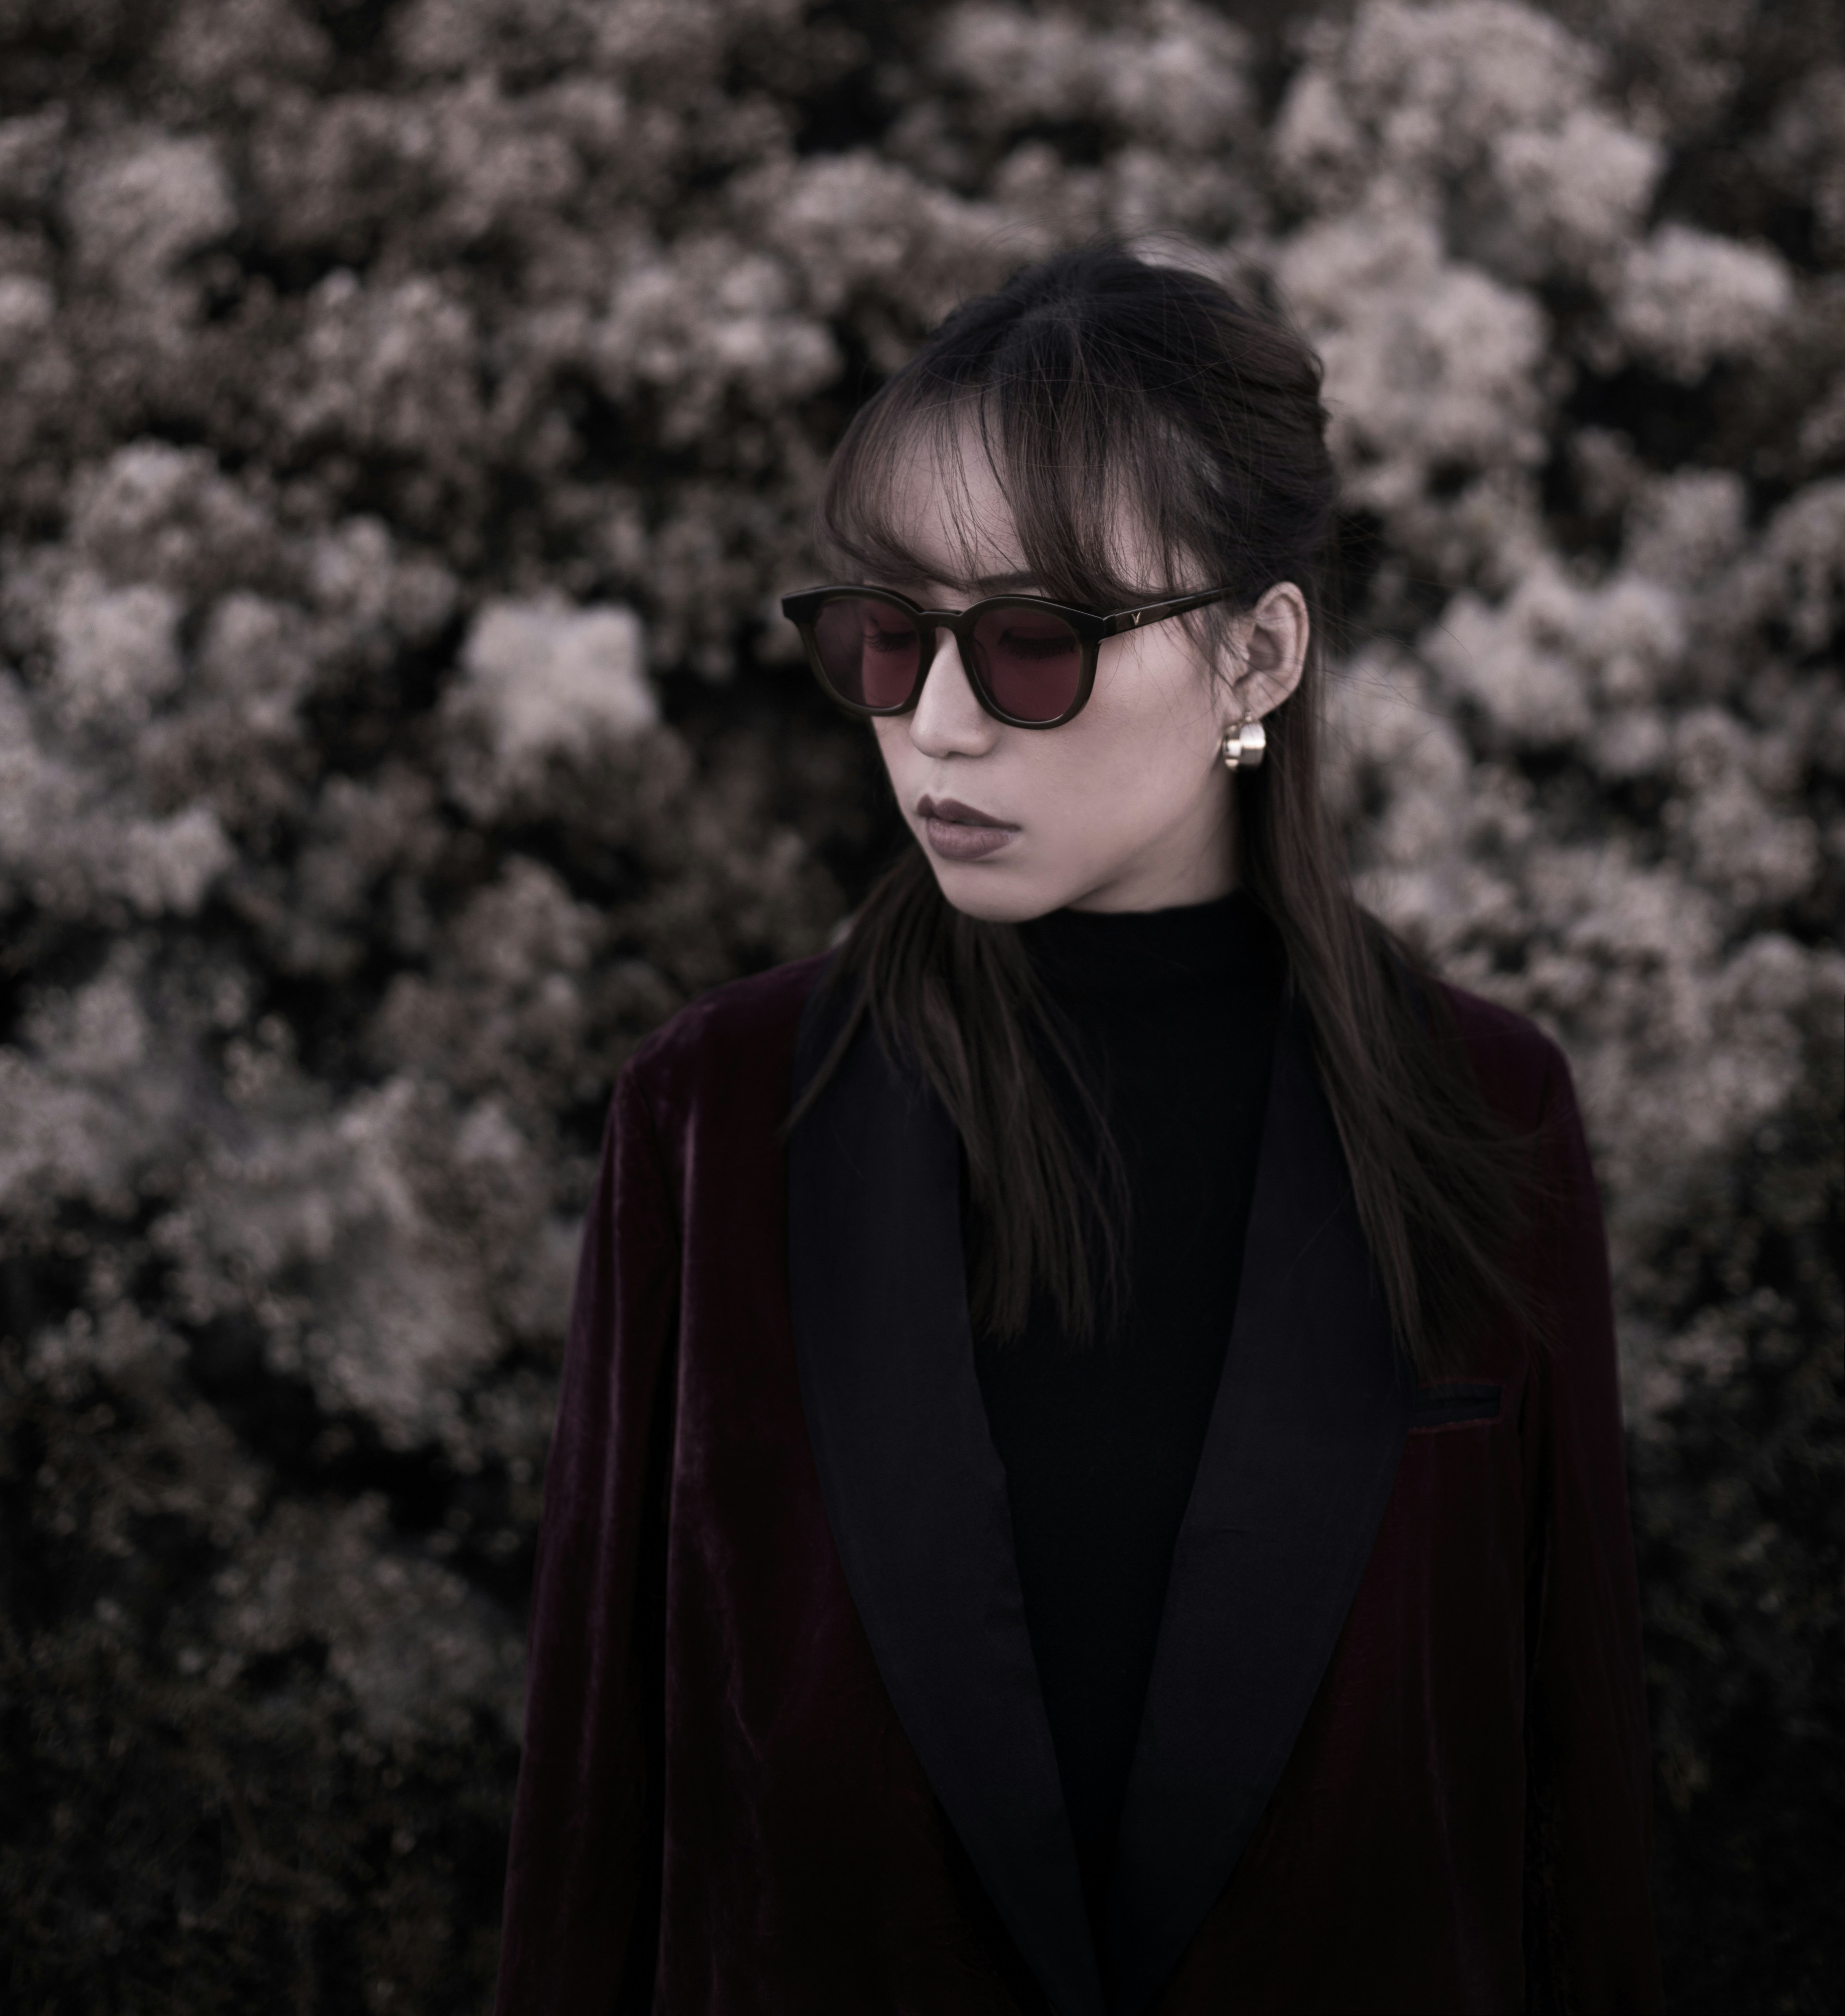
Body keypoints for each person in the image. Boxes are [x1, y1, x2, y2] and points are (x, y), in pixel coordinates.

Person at [492, 245, 1660, 2016]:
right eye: (888, 636)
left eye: (1034, 641)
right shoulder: (712, 1117)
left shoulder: (1484, 1115)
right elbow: (594, 1836)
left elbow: (1581, 1829)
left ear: (1258, 653)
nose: (936, 724)